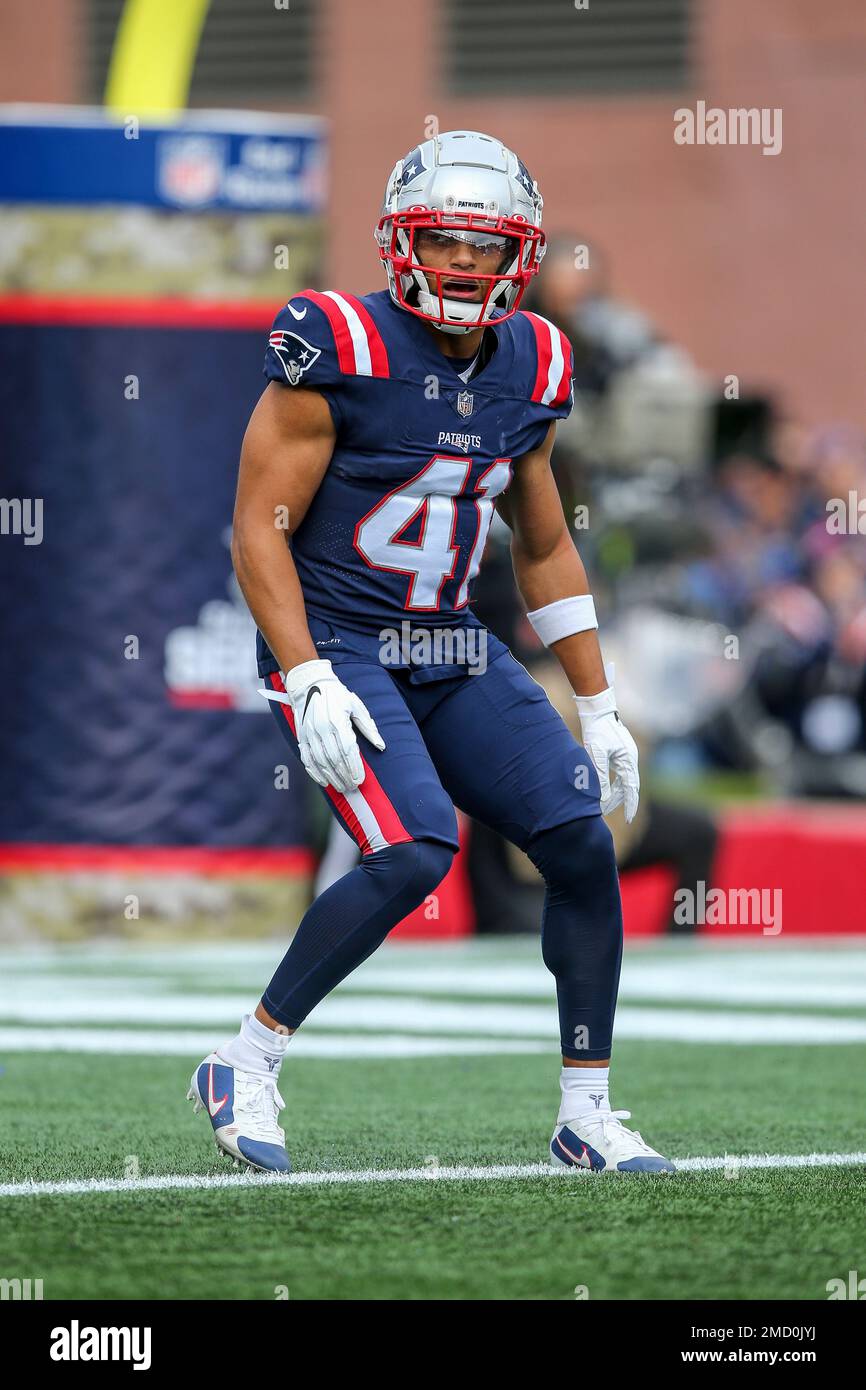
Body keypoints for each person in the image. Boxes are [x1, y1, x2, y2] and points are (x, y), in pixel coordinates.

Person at [186, 130, 674, 1175]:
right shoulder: (339, 344)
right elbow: (255, 528)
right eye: (441, 239)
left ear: (519, 257)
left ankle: (584, 1110)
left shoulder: (535, 361)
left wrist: (596, 704)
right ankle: (245, 1059)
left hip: (448, 641)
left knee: (581, 843)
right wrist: (305, 668)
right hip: (340, 641)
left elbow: (540, 544)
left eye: (482, 245)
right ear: (400, 241)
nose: (460, 261)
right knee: (412, 850)